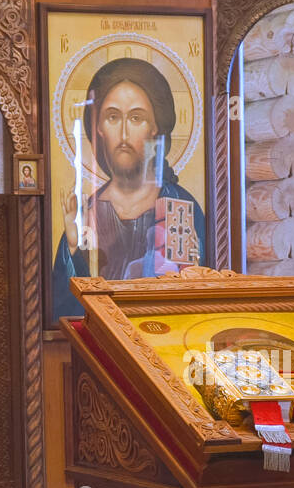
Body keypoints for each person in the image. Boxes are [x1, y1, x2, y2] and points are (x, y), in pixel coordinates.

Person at [50, 57, 207, 319]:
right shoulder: (87, 213)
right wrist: (73, 249)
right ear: (98, 127)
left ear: (155, 127)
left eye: (136, 118)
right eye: (112, 117)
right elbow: (65, 310)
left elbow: (193, 299)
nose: (123, 134)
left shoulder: (178, 206)